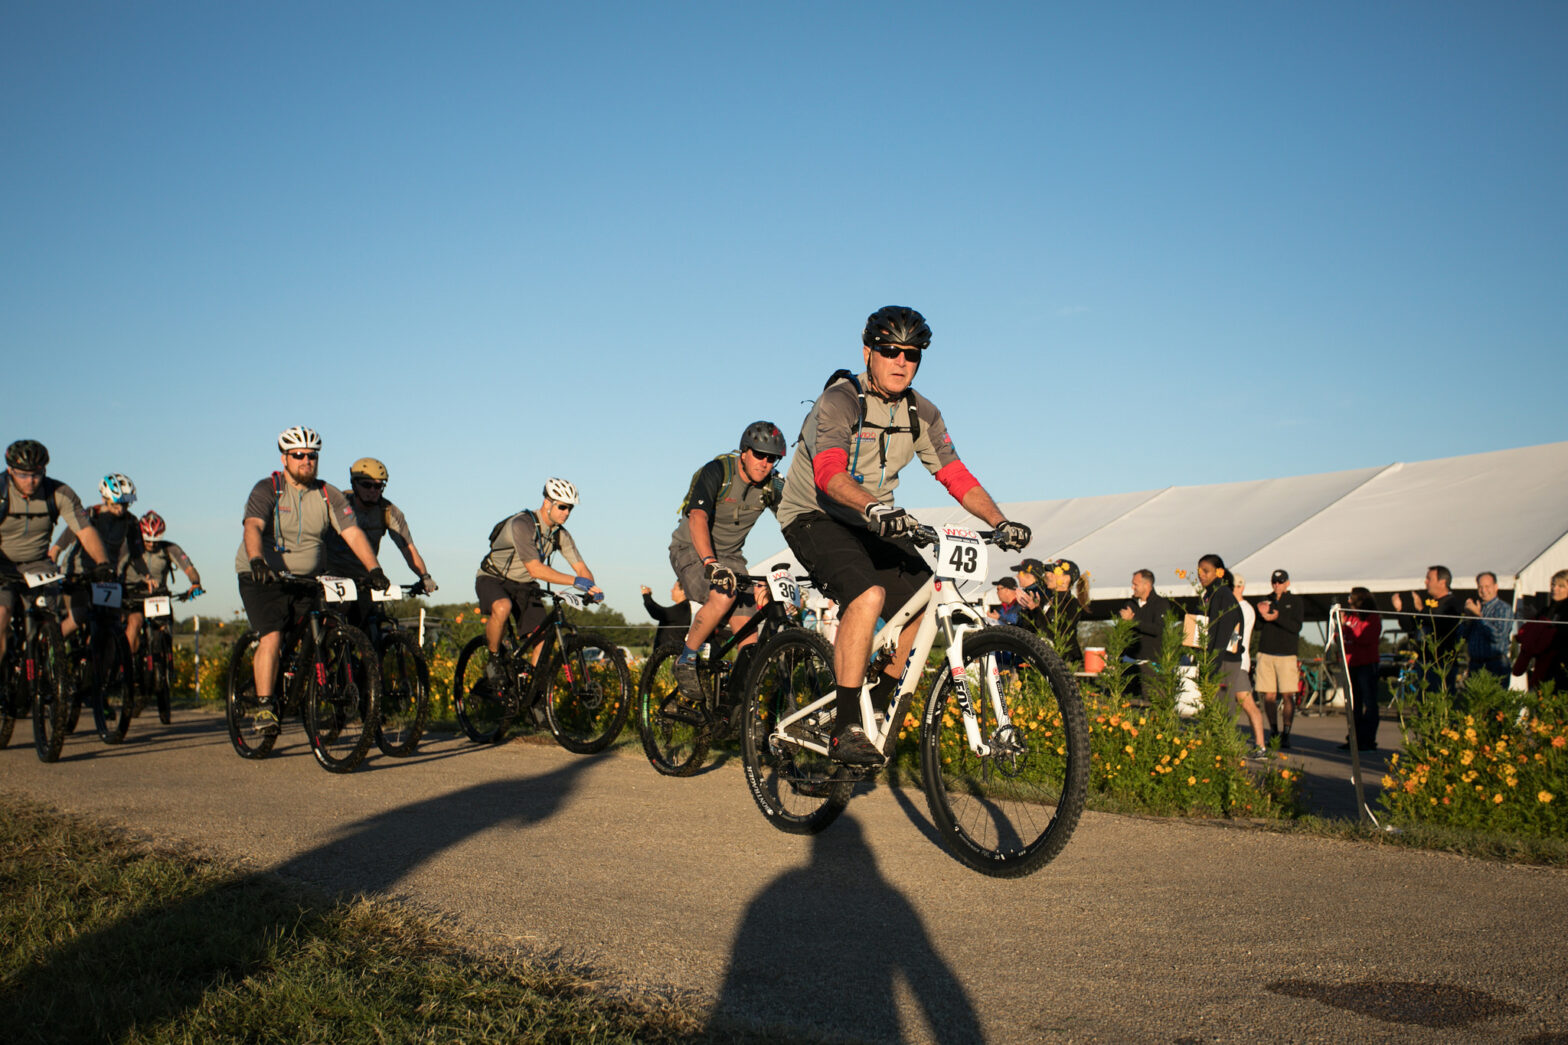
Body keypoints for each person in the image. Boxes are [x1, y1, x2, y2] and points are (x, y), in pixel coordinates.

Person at [776, 306, 1031, 765]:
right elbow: (829, 474)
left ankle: (879, 699)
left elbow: (954, 473)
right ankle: (846, 725)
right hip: (815, 514)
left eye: (911, 354)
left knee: (924, 597)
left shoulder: (922, 412)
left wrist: (999, 521)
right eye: (890, 351)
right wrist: (872, 505)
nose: (900, 361)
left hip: (874, 518)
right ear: (868, 352)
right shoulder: (839, 402)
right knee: (868, 595)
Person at [235, 427, 391, 735]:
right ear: (285, 458)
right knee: (273, 637)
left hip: (308, 579)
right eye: (299, 455)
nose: (307, 460)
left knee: (322, 628)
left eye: (312, 455)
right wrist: (257, 561)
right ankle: (266, 706)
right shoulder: (268, 489)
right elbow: (253, 526)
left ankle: (310, 690)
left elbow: (352, 533)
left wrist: (374, 569)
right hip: (265, 576)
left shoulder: (328, 493)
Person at [665, 421, 788, 721]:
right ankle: (686, 658)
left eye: (772, 458)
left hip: (732, 558)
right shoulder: (718, 471)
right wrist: (710, 563)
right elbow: (697, 517)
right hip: (693, 551)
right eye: (760, 454)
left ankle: (734, 710)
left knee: (750, 637)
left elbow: (794, 521)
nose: (765, 462)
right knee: (722, 596)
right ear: (744, 452)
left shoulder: (772, 486)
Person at [0, 439, 114, 669]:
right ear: (10, 470)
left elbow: (85, 530)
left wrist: (103, 564)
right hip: (2, 564)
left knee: (49, 616)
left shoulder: (59, 492)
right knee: (1, 614)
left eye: (37, 474)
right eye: (23, 475)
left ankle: (46, 669)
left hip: (38, 565)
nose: (31, 481)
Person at [475, 478, 602, 681]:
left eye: (570, 508)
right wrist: (576, 581)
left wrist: (592, 588)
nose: (567, 513)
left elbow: (580, 567)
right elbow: (535, 569)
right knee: (502, 607)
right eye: (562, 507)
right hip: (493, 577)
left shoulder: (560, 535)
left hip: (524, 585)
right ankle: (494, 659)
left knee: (543, 640)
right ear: (547, 503)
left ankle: (532, 692)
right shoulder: (522, 524)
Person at [321, 457, 438, 618]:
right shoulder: (339, 504)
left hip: (365, 575)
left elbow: (408, 549)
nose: (373, 490)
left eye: (378, 486)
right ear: (354, 484)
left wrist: (424, 576)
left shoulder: (388, 512)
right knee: (336, 615)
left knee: (373, 620)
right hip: (331, 572)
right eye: (367, 485)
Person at [52, 472, 154, 652]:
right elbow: (66, 537)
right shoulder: (91, 514)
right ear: (104, 498)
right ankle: (50, 649)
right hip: (79, 571)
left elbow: (137, 555)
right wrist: (54, 553)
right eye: (116, 504)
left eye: (125, 504)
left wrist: (147, 575)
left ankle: (100, 669)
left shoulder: (130, 522)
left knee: (112, 622)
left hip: (106, 575)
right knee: (79, 617)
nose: (121, 509)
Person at [1197, 554, 1267, 758]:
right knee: (1214, 705)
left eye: (1206, 571)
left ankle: (1225, 753)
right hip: (1216, 658)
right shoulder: (1210, 594)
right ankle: (1218, 748)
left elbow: (1226, 631)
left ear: (1218, 572)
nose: (1201, 575)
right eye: (1199, 570)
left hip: (1225, 660)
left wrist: (1214, 661)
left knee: (1224, 706)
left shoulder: (1223, 595)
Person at [1391, 565, 1465, 690]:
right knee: (1424, 702)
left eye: (1429, 579)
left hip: (1442, 663)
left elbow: (1441, 625)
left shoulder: (1452, 604)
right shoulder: (1428, 602)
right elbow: (1410, 626)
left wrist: (1421, 609)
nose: (1425, 582)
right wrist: (1400, 610)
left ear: (1442, 582)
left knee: (1440, 701)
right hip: (1424, 661)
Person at [1254, 568, 1304, 748]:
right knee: (1268, 695)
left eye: (1281, 582)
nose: (1277, 585)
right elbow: (1258, 627)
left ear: (1287, 583)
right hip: (1266, 652)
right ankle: (1274, 731)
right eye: (1274, 582)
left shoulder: (1295, 601)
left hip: (1287, 653)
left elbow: (1296, 626)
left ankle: (1287, 732)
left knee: (1287, 694)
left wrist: (1277, 617)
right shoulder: (1266, 600)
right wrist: (1261, 614)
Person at [1337, 587, 1383, 750]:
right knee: (1354, 704)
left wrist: (1348, 627)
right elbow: (1341, 639)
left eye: (1351, 597)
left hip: (1366, 664)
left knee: (1369, 703)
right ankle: (1354, 739)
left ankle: (1368, 739)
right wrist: (1341, 627)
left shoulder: (1372, 618)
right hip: (1351, 665)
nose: (1348, 600)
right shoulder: (1350, 617)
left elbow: (1365, 638)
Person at [125, 510, 204, 596]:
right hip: (130, 596)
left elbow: (189, 569)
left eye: (156, 541)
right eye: (147, 541)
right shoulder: (129, 547)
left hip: (159, 596)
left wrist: (195, 583)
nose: (151, 545)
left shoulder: (170, 548)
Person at [1461, 571, 1511, 678]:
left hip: (1495, 665)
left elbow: (1497, 636)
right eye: (1480, 587)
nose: (1483, 590)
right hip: (1475, 665)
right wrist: (1468, 618)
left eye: (1487, 586)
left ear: (1496, 587)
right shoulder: (1477, 607)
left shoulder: (1503, 608)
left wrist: (1479, 616)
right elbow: (1462, 636)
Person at [641, 582, 692, 651]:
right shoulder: (683, 607)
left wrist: (646, 596)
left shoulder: (683, 608)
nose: (671, 590)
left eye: (674, 588)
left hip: (670, 654)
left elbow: (657, 613)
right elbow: (660, 612)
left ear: (683, 591)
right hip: (667, 653)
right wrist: (648, 597)